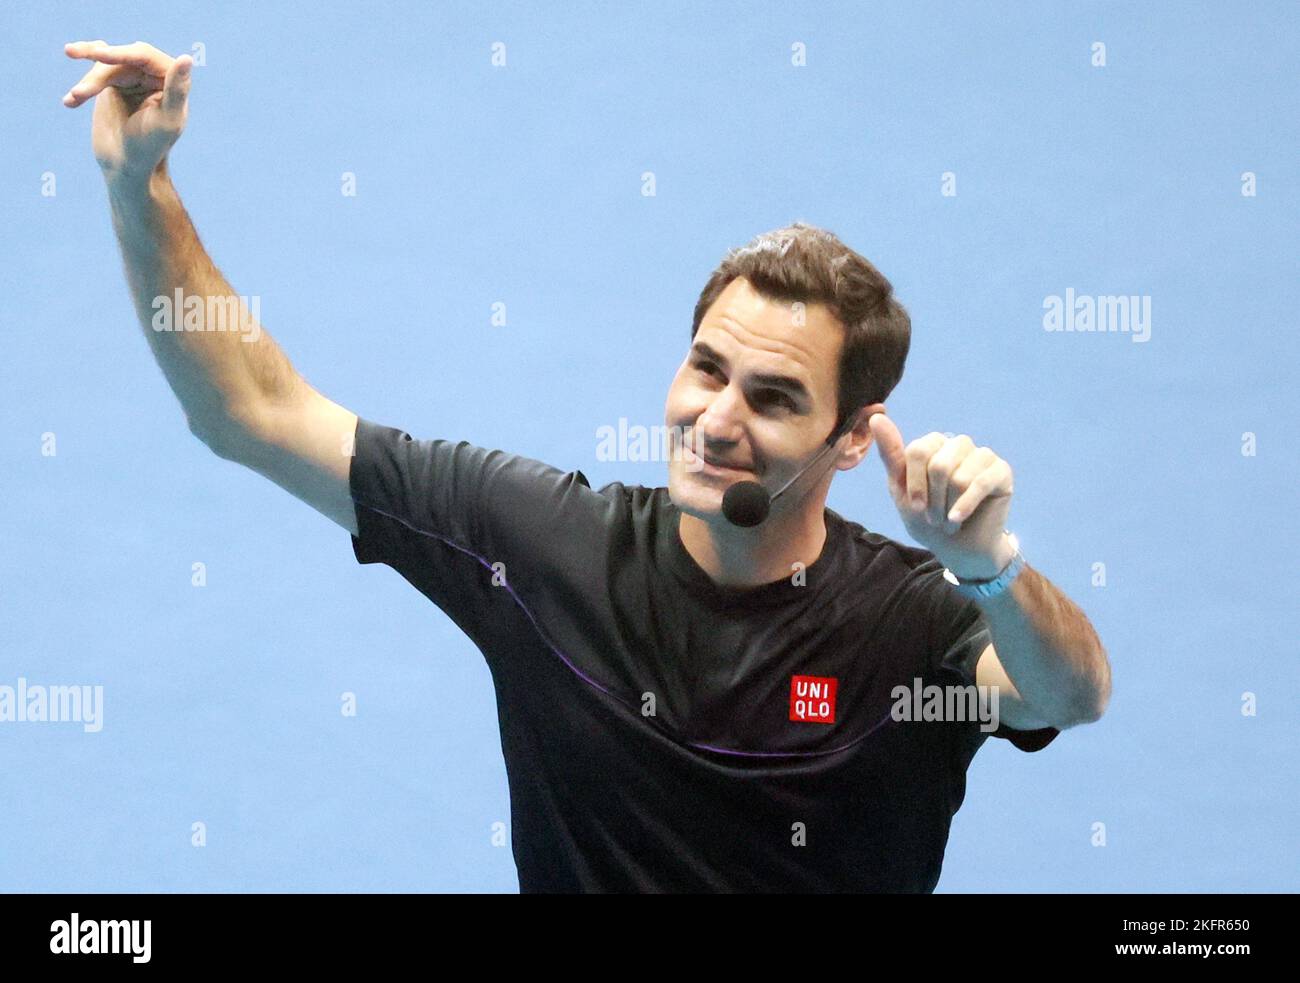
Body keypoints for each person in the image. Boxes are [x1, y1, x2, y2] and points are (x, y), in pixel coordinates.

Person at [63, 40, 1112, 892]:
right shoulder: (537, 546)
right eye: (706, 368)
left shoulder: (913, 623)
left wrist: (988, 565)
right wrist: (138, 183)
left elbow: (1067, 693)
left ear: (852, 435)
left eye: (774, 396)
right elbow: (248, 412)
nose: (716, 417)